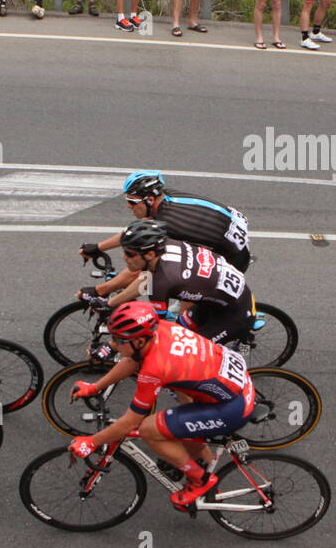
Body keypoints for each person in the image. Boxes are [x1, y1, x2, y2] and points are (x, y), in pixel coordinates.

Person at [66, 303, 254, 508]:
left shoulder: (154, 369)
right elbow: (132, 360)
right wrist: (95, 387)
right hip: (236, 388)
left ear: (139, 340)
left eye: (119, 340)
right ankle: (202, 465)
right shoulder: (161, 328)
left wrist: (92, 442)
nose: (114, 345)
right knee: (177, 426)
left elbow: (131, 421)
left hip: (231, 408)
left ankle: (200, 480)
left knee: (149, 429)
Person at [97, 220, 254, 347]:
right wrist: (110, 303)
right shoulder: (166, 246)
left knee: (188, 350)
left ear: (150, 254)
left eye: (129, 254)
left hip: (235, 313)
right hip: (215, 301)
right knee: (179, 328)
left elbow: (153, 329)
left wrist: (112, 346)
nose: (124, 257)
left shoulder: (162, 281)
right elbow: (143, 281)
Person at [82, 170, 251, 273]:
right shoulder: (165, 196)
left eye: (132, 202)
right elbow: (137, 232)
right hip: (230, 230)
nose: (128, 206)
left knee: (171, 283)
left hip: (231, 257)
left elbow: (142, 262)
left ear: (149, 200)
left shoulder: (170, 224)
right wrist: (98, 247)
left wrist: (104, 291)